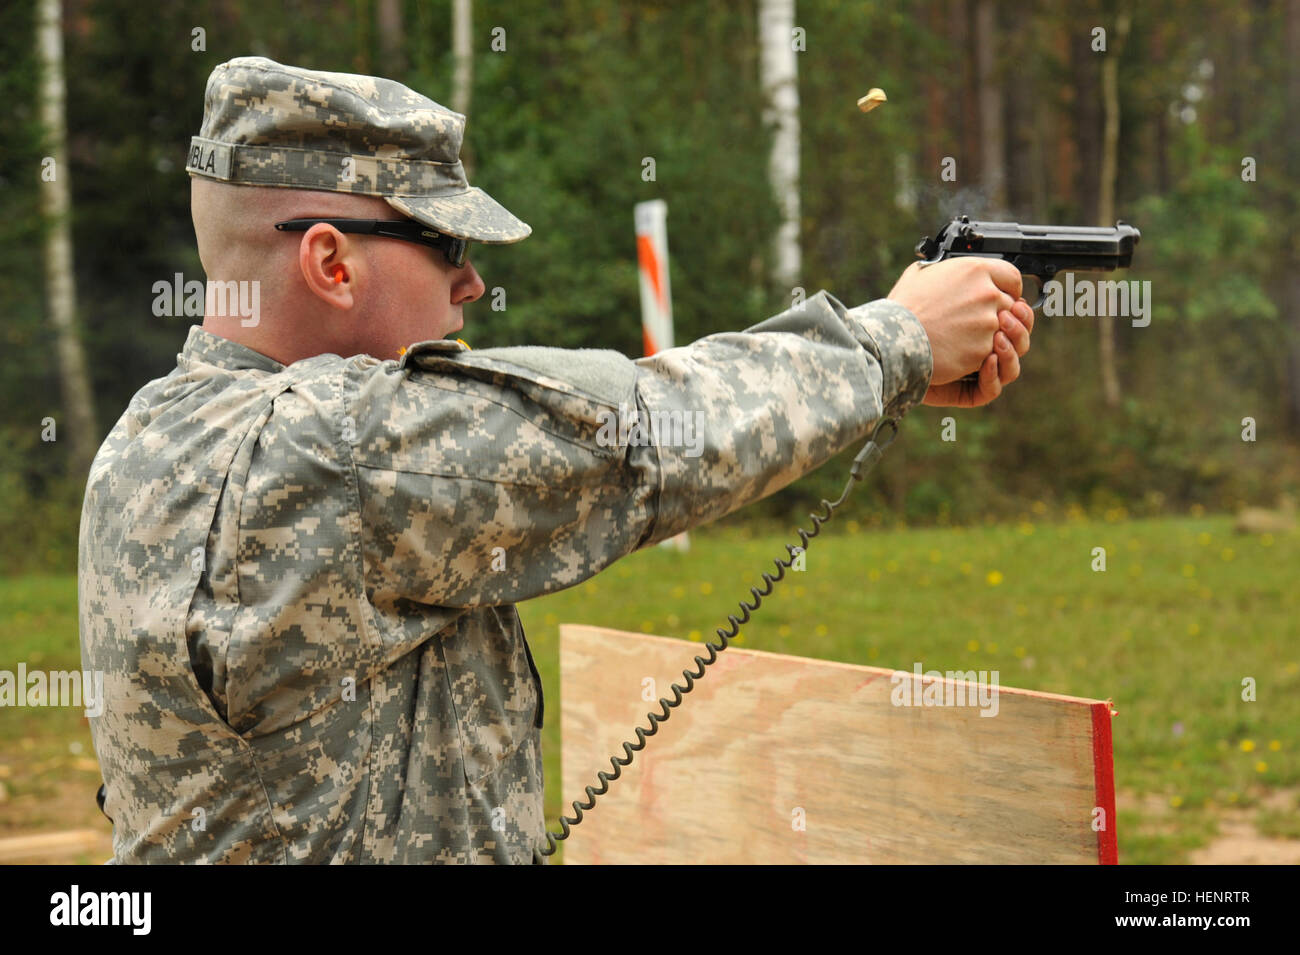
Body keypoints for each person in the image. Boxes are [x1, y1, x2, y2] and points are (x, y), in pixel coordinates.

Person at [79, 56, 1033, 864]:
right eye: (443, 241)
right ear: (331, 263)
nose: (471, 280)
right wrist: (895, 340)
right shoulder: (331, 449)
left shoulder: (147, 439)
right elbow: (653, 431)